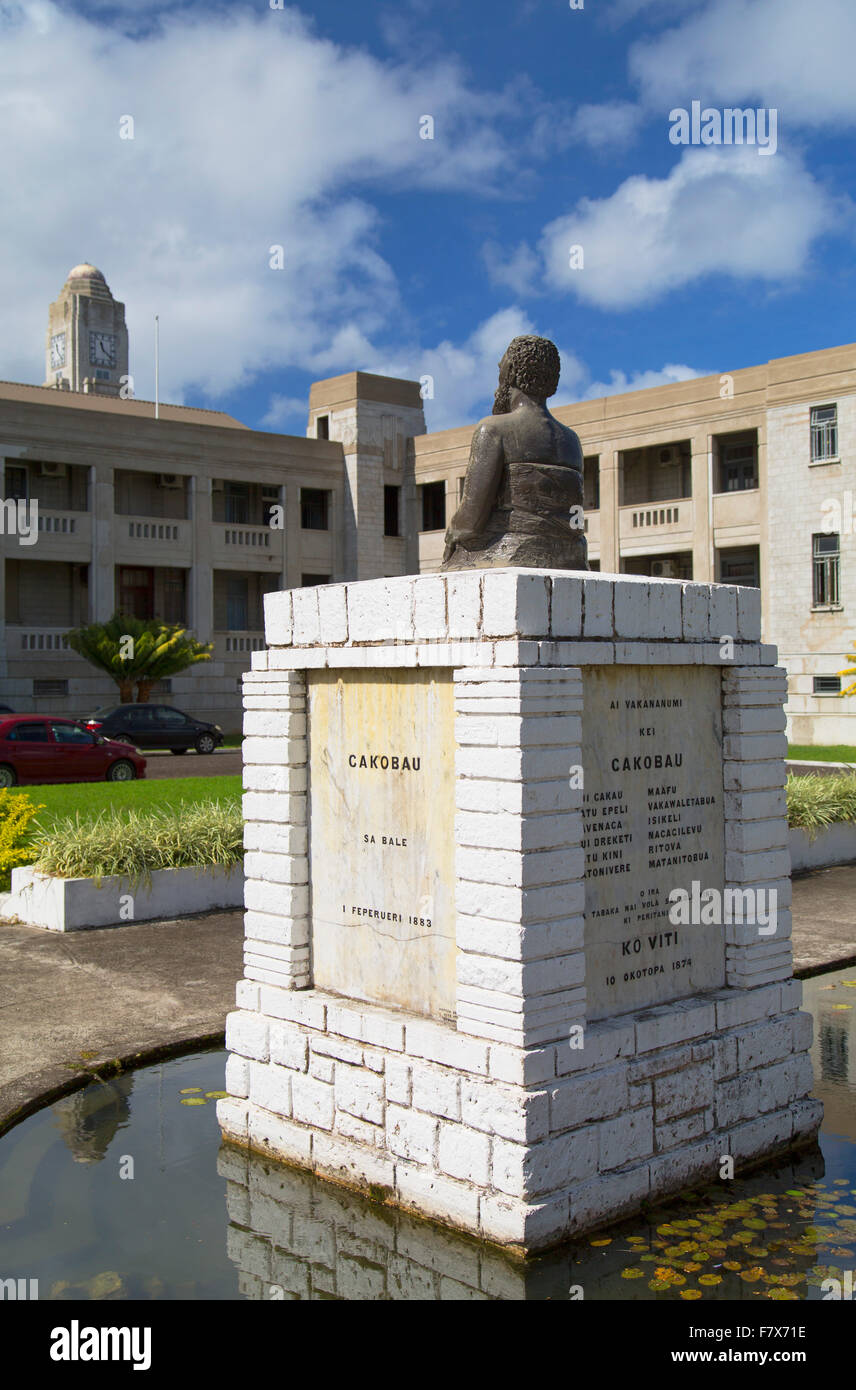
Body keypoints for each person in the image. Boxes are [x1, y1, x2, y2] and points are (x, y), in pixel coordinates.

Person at [442, 335, 588, 571]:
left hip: (516, 549)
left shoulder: (493, 429)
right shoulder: (571, 440)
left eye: (501, 367)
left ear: (510, 372)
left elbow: (470, 522)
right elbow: (575, 517)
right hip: (572, 553)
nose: (498, 375)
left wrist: (452, 533)